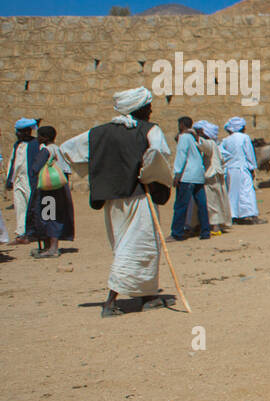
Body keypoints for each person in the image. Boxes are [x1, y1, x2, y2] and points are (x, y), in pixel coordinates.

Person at [61, 87, 173, 316]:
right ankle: (111, 301)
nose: (151, 111)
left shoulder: (98, 133)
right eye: (148, 107)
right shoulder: (150, 130)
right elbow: (159, 156)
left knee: (135, 246)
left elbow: (68, 150)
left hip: (113, 202)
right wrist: (148, 176)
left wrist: (99, 171)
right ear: (140, 108)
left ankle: (147, 295)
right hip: (139, 198)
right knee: (135, 247)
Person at [25, 125, 75, 258]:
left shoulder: (46, 151)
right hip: (60, 189)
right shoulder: (59, 149)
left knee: (49, 216)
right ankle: (48, 247)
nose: (37, 138)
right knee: (54, 215)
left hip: (49, 190)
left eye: (39, 136)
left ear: (45, 137)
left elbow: (35, 169)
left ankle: (52, 248)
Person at [170, 117, 210, 241]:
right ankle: (205, 232)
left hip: (187, 176)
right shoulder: (195, 137)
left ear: (181, 124)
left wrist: (177, 174)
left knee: (181, 205)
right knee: (202, 204)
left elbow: (181, 155)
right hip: (198, 174)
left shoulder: (185, 137)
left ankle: (177, 233)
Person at [191, 121, 232, 235]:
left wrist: (195, 136)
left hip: (211, 178)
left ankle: (215, 226)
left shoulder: (209, 143)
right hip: (211, 178)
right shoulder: (214, 144)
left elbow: (205, 146)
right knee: (213, 202)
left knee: (212, 203)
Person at [221, 117, 261, 224]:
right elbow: (249, 154)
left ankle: (233, 216)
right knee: (247, 191)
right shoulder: (244, 138)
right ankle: (252, 215)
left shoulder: (226, 140)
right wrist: (252, 168)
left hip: (230, 169)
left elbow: (222, 154)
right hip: (242, 168)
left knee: (232, 193)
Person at [6, 118, 39, 243]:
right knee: (20, 206)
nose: (17, 134)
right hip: (18, 180)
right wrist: (10, 180)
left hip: (29, 180)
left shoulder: (35, 144)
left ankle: (32, 232)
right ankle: (21, 232)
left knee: (32, 206)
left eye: (20, 131)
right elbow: (13, 162)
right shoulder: (17, 145)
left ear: (27, 132)